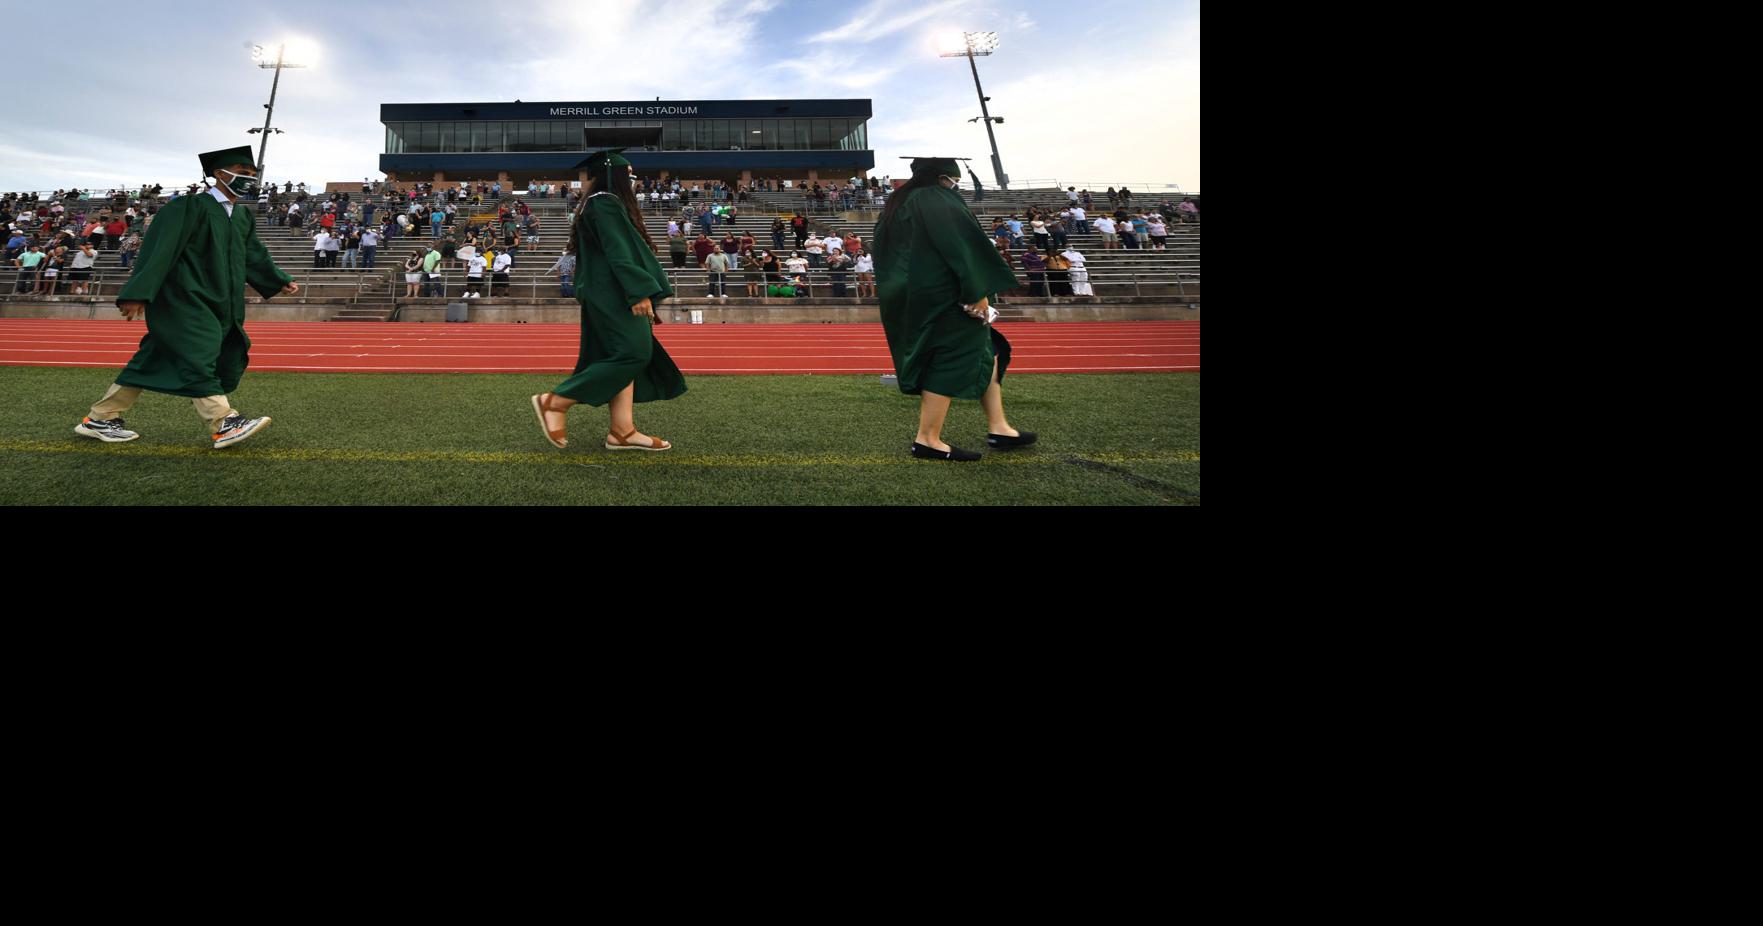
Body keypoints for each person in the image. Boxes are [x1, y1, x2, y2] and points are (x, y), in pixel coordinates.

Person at [73, 147, 297, 448]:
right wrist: (139, 293)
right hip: (182, 295)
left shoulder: (242, 216)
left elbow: (253, 255)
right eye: (243, 173)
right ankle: (223, 422)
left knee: (155, 357)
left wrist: (277, 280)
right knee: (199, 350)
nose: (249, 180)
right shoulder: (189, 206)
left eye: (253, 175)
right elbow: (159, 248)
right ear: (219, 174)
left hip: (219, 298)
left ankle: (100, 417)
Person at [873, 157, 1032, 461]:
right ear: (945, 176)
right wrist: (977, 290)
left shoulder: (899, 202)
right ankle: (928, 439)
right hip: (945, 294)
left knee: (989, 350)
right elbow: (958, 244)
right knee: (949, 356)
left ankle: (999, 425)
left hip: (914, 292)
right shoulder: (934, 197)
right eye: (954, 179)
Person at [530, 149, 685, 452]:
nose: (633, 181)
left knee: (621, 355)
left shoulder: (598, 204)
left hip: (608, 291)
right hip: (615, 293)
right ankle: (556, 402)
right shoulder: (605, 204)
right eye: (629, 175)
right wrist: (639, 290)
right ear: (615, 175)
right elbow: (619, 251)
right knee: (634, 353)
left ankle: (622, 431)